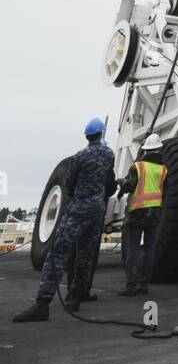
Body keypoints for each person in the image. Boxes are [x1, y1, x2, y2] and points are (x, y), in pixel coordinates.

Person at [14, 117, 115, 322]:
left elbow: (69, 182)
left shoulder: (80, 157)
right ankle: (74, 298)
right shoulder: (109, 155)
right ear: (101, 134)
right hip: (97, 210)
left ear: (87, 136)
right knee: (86, 255)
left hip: (79, 208)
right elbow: (109, 182)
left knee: (58, 253)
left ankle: (43, 303)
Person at [117, 133, 168, 296]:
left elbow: (129, 185)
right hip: (155, 213)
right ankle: (144, 284)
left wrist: (120, 182)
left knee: (133, 249)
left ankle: (131, 285)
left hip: (137, 212)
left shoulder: (138, 167)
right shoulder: (163, 170)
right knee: (149, 249)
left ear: (146, 150)